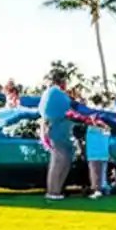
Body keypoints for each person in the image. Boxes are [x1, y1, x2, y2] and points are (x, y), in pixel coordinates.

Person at [38, 69, 74, 201]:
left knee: (64, 160)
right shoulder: (54, 93)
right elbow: (66, 110)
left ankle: (58, 189)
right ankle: (53, 190)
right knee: (58, 160)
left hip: (61, 130)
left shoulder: (54, 93)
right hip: (56, 130)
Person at [84, 94, 113, 198]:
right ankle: (103, 186)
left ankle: (97, 189)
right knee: (102, 165)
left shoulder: (92, 114)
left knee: (95, 165)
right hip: (101, 140)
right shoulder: (106, 113)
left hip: (96, 141)